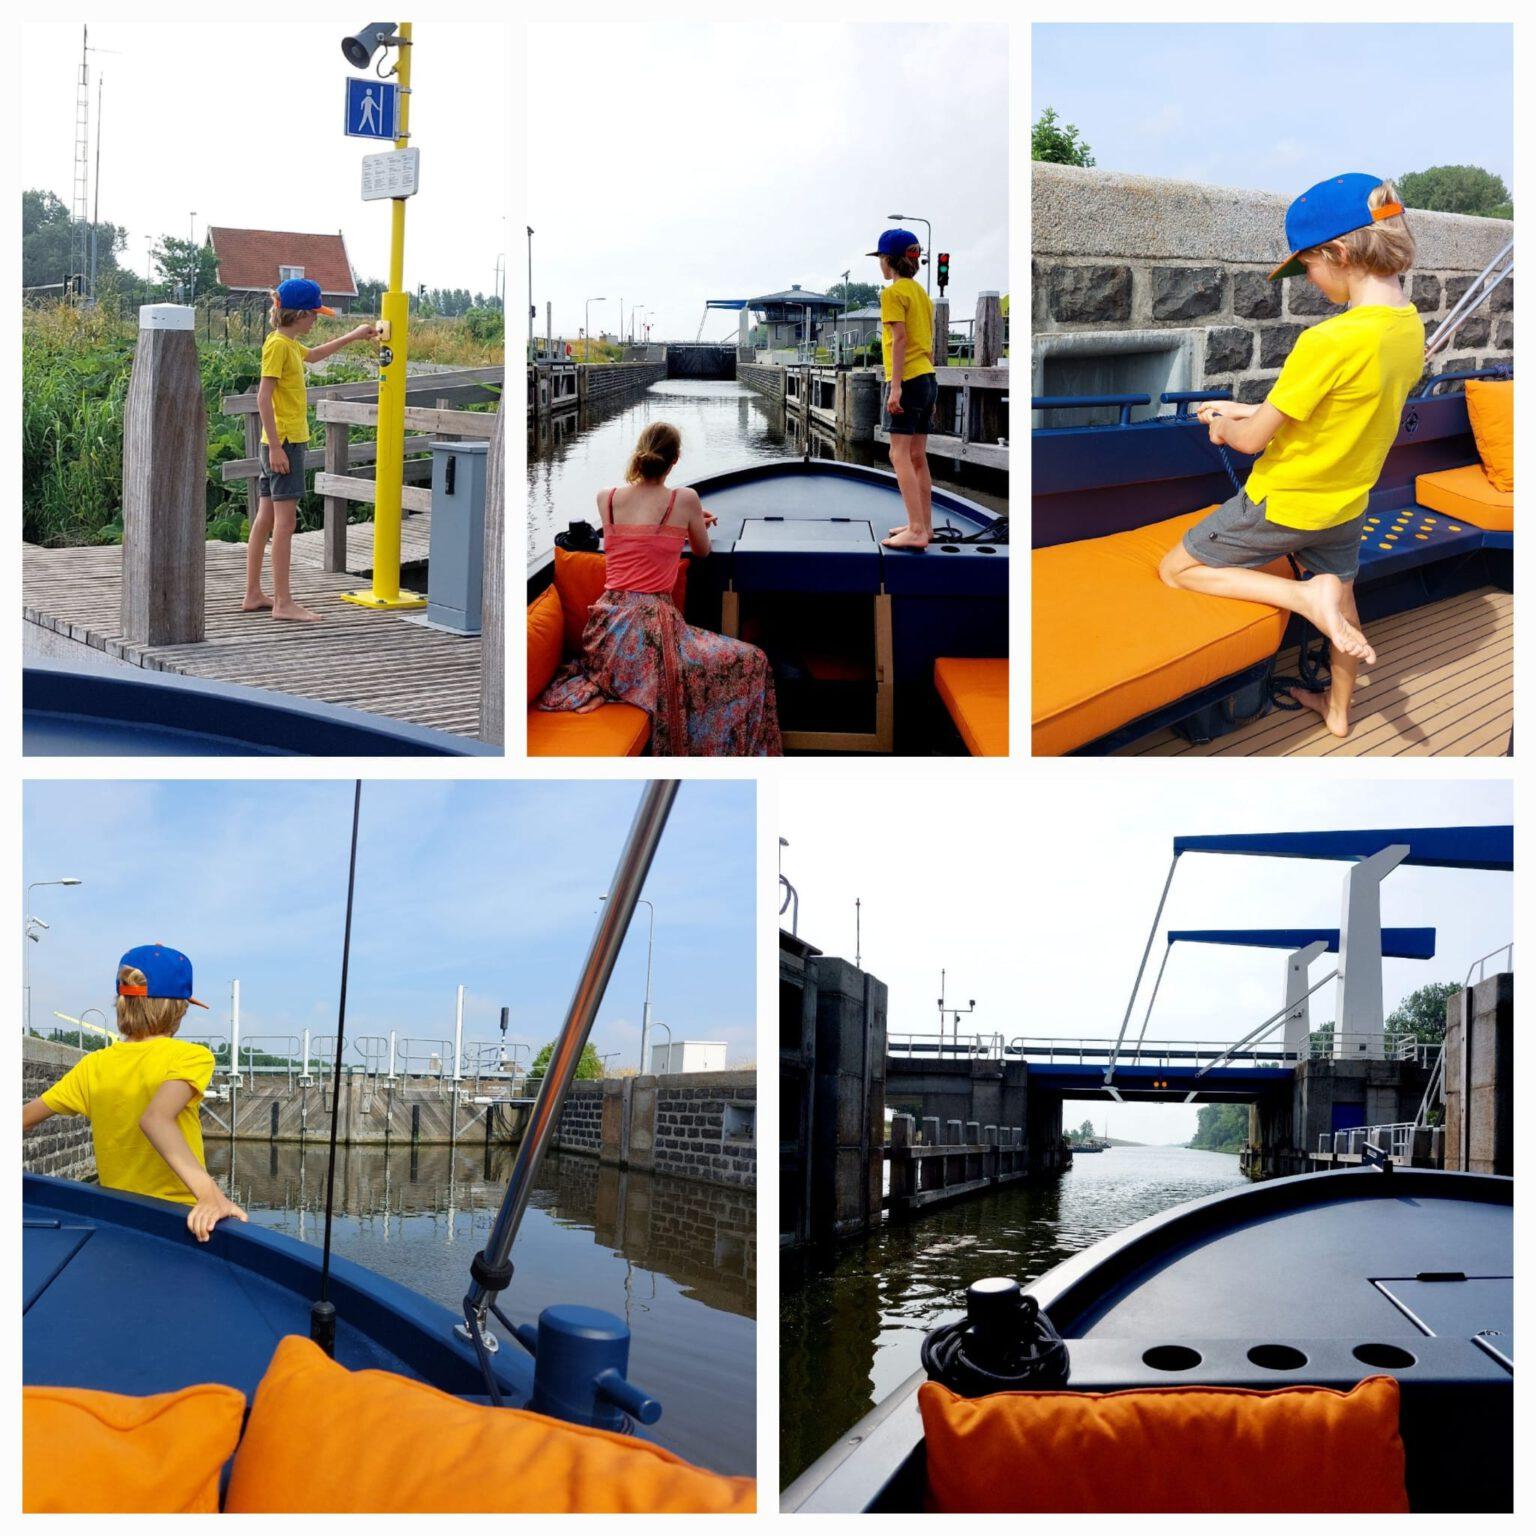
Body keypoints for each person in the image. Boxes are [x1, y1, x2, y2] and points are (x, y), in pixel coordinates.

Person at [1159, 175, 1424, 739]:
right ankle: (1338, 711)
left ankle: (1301, 595)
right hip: (1346, 503)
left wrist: (1227, 425)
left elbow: (1254, 441)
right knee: (1344, 607)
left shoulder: (1327, 340)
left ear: (1339, 252)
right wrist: (1246, 407)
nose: (1307, 276)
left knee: (1178, 570)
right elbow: (1333, 407)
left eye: (1307, 264)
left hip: (1284, 503)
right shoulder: (1408, 326)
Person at [538, 422, 782, 755]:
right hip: (653, 630)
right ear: (675, 460)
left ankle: (622, 688)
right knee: (754, 660)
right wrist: (690, 522)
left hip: (606, 634)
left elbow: (637, 535)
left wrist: (680, 523)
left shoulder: (606, 499)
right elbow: (702, 551)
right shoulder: (685, 500)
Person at [21, 944, 246, 1243]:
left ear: (122, 1002)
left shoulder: (93, 1065)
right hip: (179, 1219)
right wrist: (211, 1196)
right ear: (178, 1008)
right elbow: (155, 1119)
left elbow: (22, 1119)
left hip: (116, 1218)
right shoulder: (191, 1056)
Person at [243, 277, 379, 622]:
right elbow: (263, 396)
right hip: (284, 443)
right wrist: (276, 447)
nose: (316, 320)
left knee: (267, 518)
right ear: (299, 315)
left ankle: (254, 593)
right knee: (285, 525)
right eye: (314, 314)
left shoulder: (285, 343)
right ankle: (283, 602)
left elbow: (315, 355)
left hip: (277, 443)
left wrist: (353, 336)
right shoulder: (277, 347)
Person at [869, 227, 939, 550]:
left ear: (888, 261)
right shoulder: (922, 296)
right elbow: (929, 343)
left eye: (881, 259)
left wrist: (895, 387)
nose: (880, 265)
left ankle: (914, 529)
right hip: (927, 378)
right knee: (917, 456)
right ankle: (925, 525)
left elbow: (900, 340)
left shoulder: (892, 294)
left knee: (897, 454)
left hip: (907, 379)